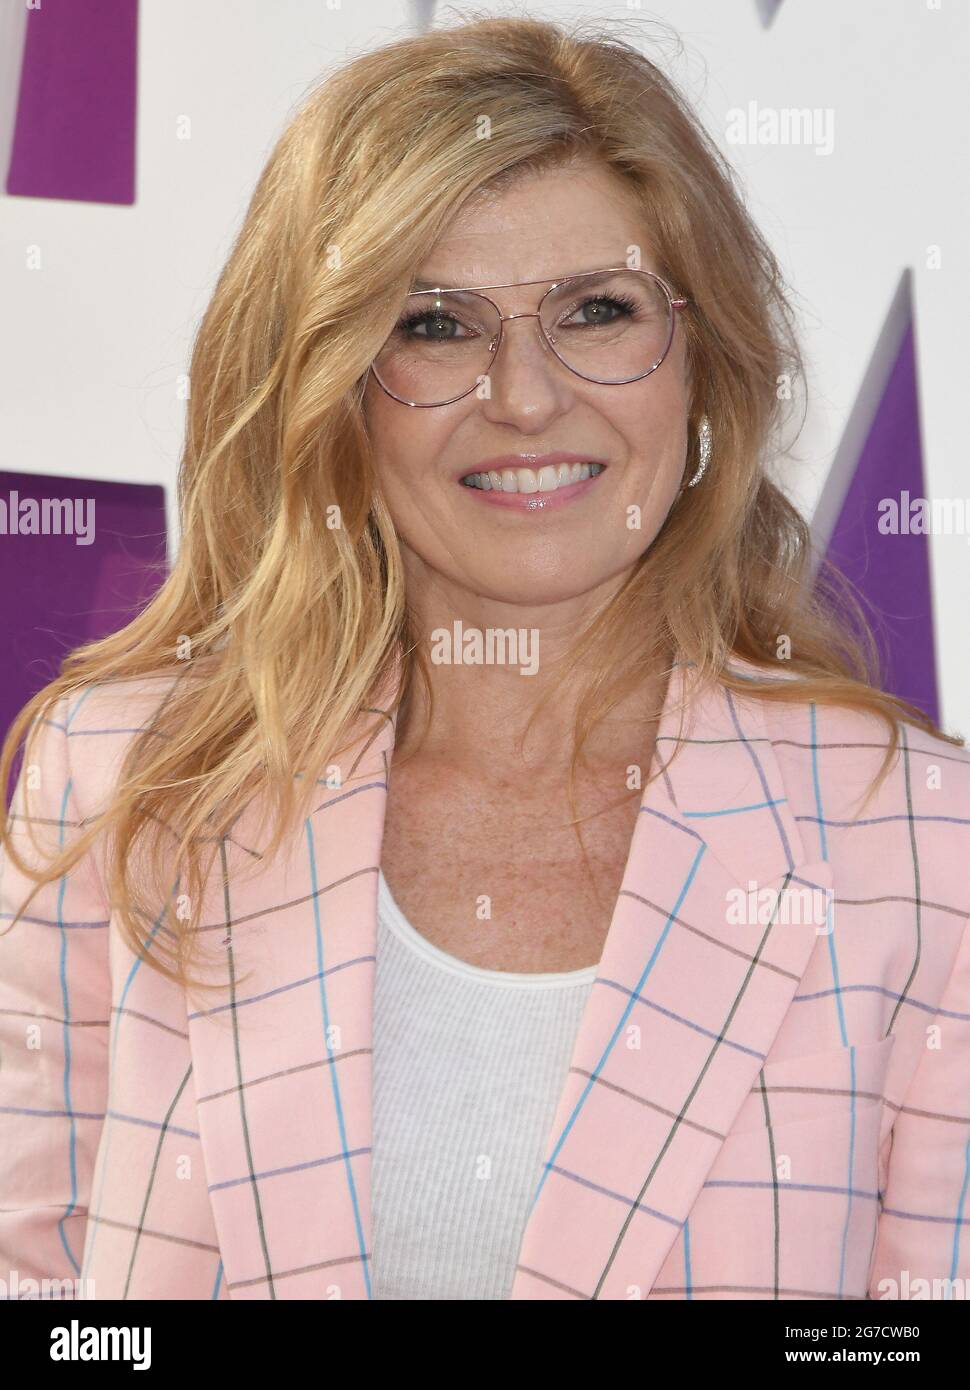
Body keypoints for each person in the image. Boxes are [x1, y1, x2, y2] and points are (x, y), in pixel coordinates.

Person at [1, 14, 968, 1303]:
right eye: (437, 326)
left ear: (704, 370)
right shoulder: (125, 780)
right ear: (330, 383)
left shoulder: (909, 838)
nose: (523, 396)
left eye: (600, 310)